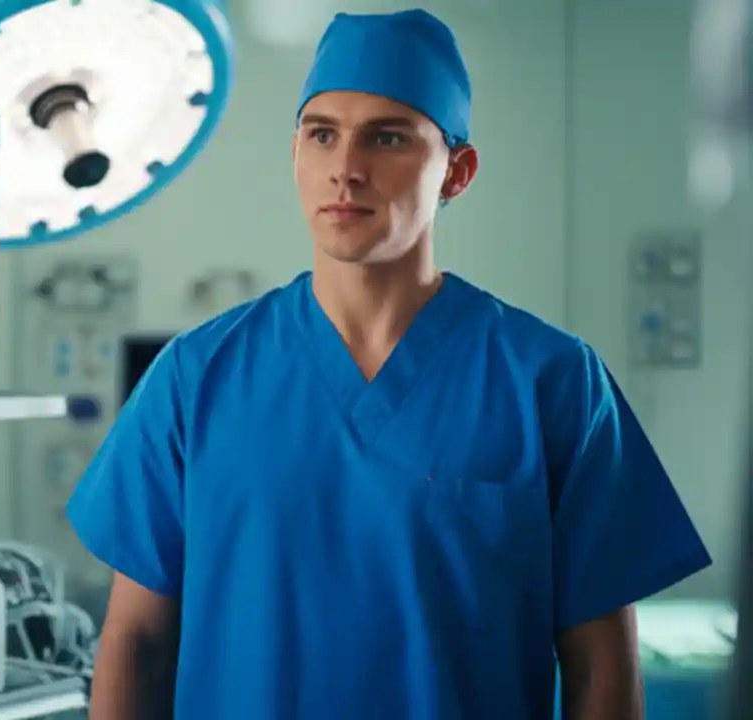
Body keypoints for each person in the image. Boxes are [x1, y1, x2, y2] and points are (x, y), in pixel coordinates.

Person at [65, 8, 711, 720]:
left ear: (456, 173)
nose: (346, 168)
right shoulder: (197, 377)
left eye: (388, 137)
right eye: (323, 135)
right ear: (297, 154)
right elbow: (137, 642)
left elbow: (600, 667)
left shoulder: (552, 383)